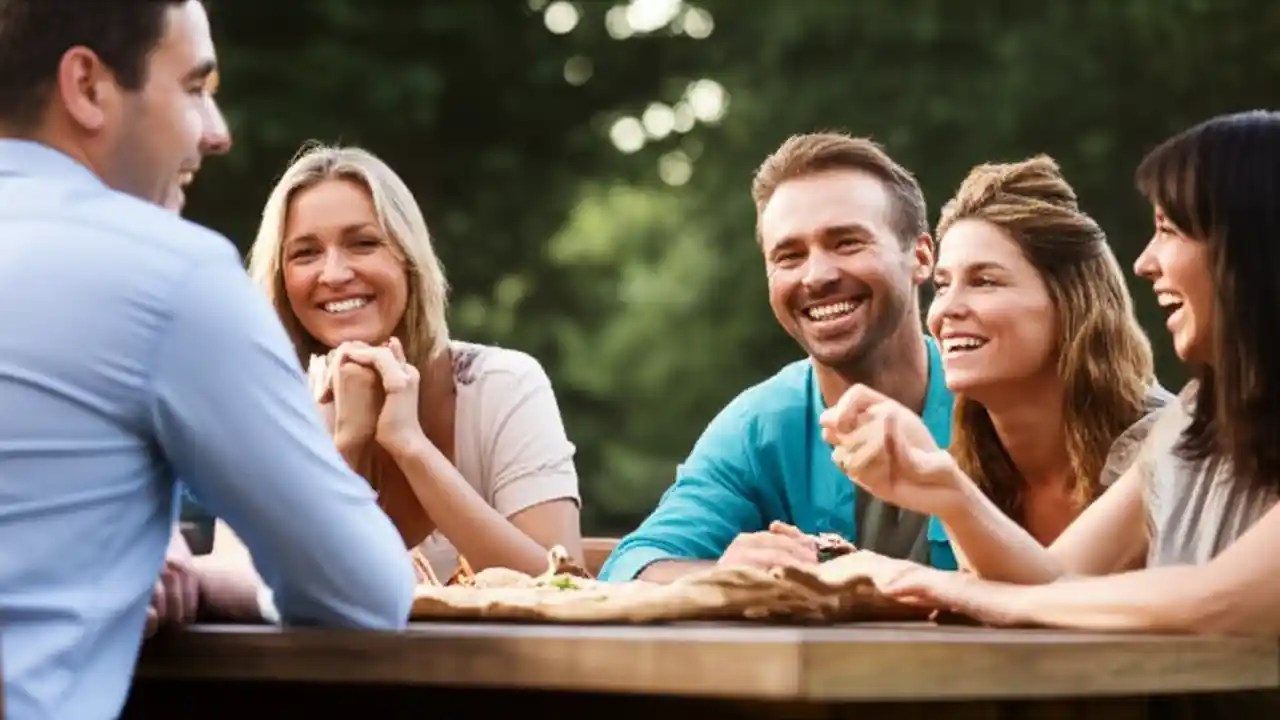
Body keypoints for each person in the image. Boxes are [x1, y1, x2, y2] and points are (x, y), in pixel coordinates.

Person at [0, 3, 416, 718]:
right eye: (194, 88)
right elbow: (362, 590)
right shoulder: (166, 274)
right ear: (87, 86)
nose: (217, 133)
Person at [821, 110, 1280, 636]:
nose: (1145, 262)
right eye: (943, 284)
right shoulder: (1195, 419)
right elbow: (1059, 587)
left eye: (1169, 230)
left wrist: (951, 586)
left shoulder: (1159, 426)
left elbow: (1217, 604)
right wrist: (942, 485)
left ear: (1251, 247)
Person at [197, 142, 582, 598]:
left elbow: (563, 587)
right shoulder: (264, 408)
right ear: (282, 280)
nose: (334, 273)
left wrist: (410, 446)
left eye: (363, 243)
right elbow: (253, 585)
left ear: (408, 259)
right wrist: (346, 446)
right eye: (305, 253)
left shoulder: (504, 386)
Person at [599, 131, 958, 583]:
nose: (818, 276)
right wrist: (722, 575)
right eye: (789, 256)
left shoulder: (997, 398)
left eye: (847, 242)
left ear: (921, 258)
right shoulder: (759, 426)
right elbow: (632, 565)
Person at [925, 154, 1169, 548]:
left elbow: (1053, 590)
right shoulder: (970, 465)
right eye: (941, 285)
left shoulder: (1169, 450)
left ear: (1069, 303)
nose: (946, 309)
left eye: (984, 281)